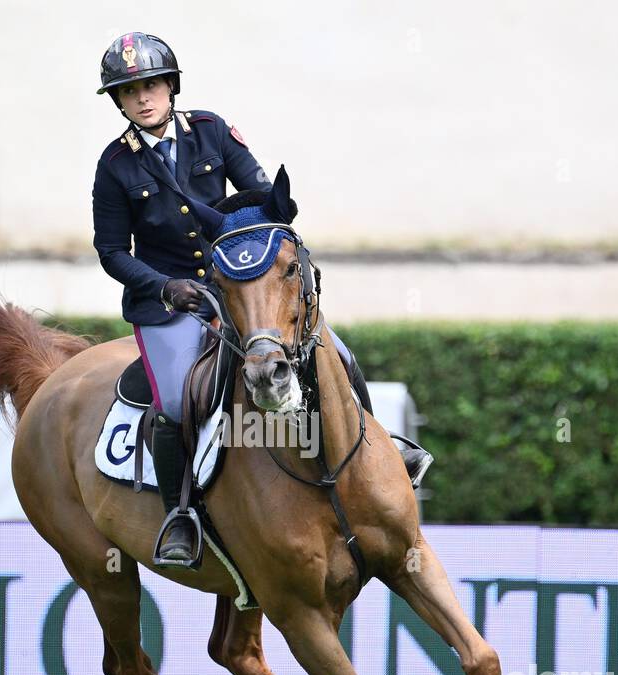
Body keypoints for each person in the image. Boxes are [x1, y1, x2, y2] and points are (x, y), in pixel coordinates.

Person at [92, 32, 431, 568]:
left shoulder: (210, 132)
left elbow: (254, 191)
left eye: (151, 84)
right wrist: (163, 286)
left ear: (171, 86)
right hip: (170, 304)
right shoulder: (115, 165)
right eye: (129, 91)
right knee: (178, 401)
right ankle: (181, 514)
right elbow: (110, 250)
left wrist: (270, 219)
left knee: (333, 351)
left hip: (241, 284)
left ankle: (385, 450)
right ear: (119, 102)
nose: (143, 98)